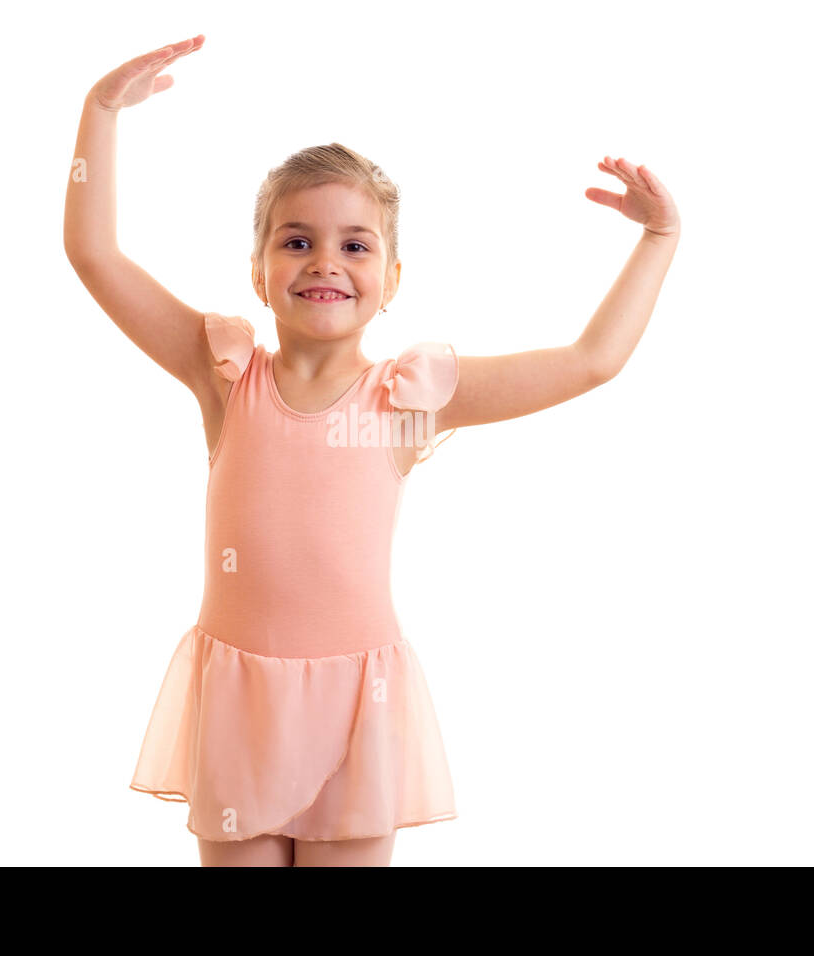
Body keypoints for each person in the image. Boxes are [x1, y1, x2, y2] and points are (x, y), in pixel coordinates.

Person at [63, 35, 681, 867]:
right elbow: (94, 255)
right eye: (296, 241)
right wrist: (99, 115)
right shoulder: (225, 375)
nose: (326, 261)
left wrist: (658, 240)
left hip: (361, 706)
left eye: (356, 245)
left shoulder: (406, 398)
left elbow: (590, 361)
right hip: (241, 701)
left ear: (392, 279)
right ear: (258, 270)